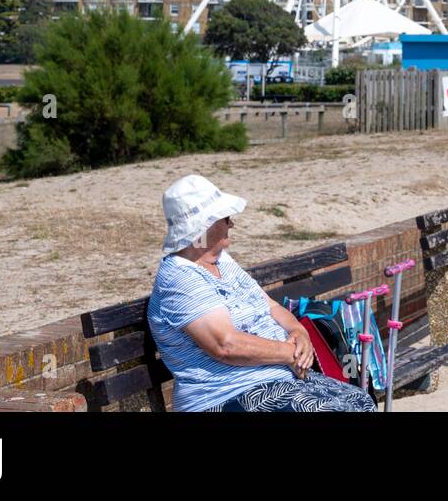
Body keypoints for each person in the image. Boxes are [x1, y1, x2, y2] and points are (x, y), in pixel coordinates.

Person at [147, 174, 375, 412]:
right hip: (226, 394)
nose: (231, 224)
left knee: (360, 401)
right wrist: (290, 353)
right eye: (225, 218)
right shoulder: (180, 278)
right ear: (204, 226)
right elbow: (225, 345)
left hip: (276, 382)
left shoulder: (222, 262)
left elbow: (272, 307)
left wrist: (299, 333)